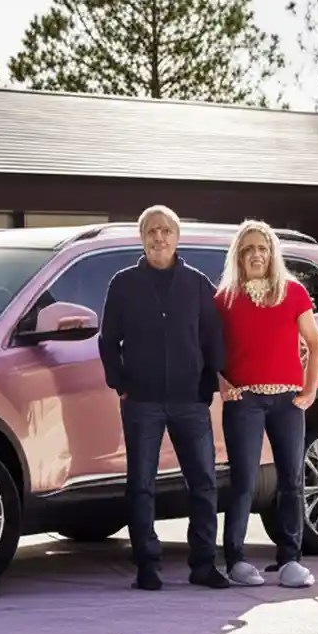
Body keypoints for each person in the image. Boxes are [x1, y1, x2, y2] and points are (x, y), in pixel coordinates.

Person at [98, 205, 230, 591]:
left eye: (166, 231)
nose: (159, 237)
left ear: (177, 237)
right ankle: (147, 565)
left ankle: (204, 564)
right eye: (152, 231)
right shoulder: (123, 284)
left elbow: (212, 338)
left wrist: (209, 383)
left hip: (191, 400)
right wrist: (119, 383)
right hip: (142, 402)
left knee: (203, 483)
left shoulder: (197, 284)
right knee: (141, 483)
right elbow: (108, 341)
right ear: (142, 238)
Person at [214, 219, 318, 589]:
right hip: (244, 401)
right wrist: (222, 382)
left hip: (288, 400)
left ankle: (291, 559)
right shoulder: (224, 299)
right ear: (238, 257)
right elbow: (209, 350)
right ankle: (236, 560)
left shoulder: (293, 293)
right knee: (243, 480)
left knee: (291, 479)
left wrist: (309, 391)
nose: (256, 255)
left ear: (272, 253)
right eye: (248, 250)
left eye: (262, 248)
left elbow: (315, 343)